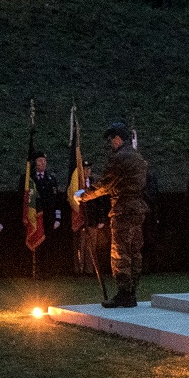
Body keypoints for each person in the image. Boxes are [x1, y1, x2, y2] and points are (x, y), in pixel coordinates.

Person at [75, 122, 148, 308]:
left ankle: (124, 293)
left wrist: (84, 196)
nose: (110, 143)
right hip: (138, 209)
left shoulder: (120, 158)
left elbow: (106, 184)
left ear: (118, 138)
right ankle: (131, 293)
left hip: (123, 209)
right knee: (134, 253)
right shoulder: (138, 158)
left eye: (111, 139)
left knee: (120, 253)